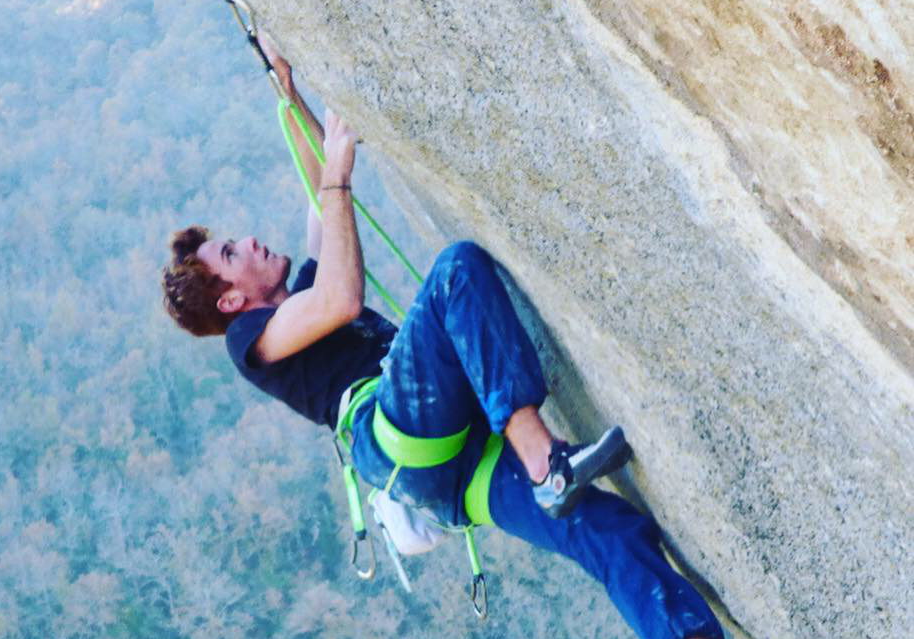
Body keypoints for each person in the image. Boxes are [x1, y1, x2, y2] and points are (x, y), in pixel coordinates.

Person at [160, 39, 723, 639]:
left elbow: (317, 197)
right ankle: (544, 462)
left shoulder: (293, 300)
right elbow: (340, 295)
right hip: (398, 435)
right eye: (230, 253)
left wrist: (285, 84)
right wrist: (341, 179)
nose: (246, 242)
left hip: (454, 467)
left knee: (611, 533)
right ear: (230, 300)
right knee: (457, 273)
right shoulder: (250, 339)